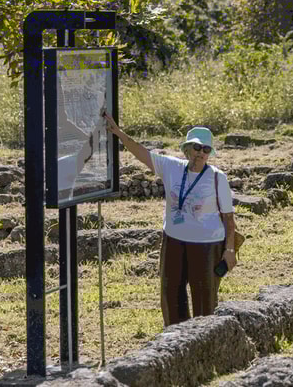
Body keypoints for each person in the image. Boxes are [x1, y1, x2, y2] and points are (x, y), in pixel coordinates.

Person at [102, 117, 238, 326]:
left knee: (204, 298)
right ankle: (176, 340)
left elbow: (229, 219)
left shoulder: (218, 177)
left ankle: (205, 340)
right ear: (187, 148)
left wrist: (229, 250)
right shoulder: (171, 167)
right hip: (173, 240)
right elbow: (142, 153)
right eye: (197, 147)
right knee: (171, 293)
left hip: (206, 245)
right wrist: (119, 133)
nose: (201, 153)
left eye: (206, 149)